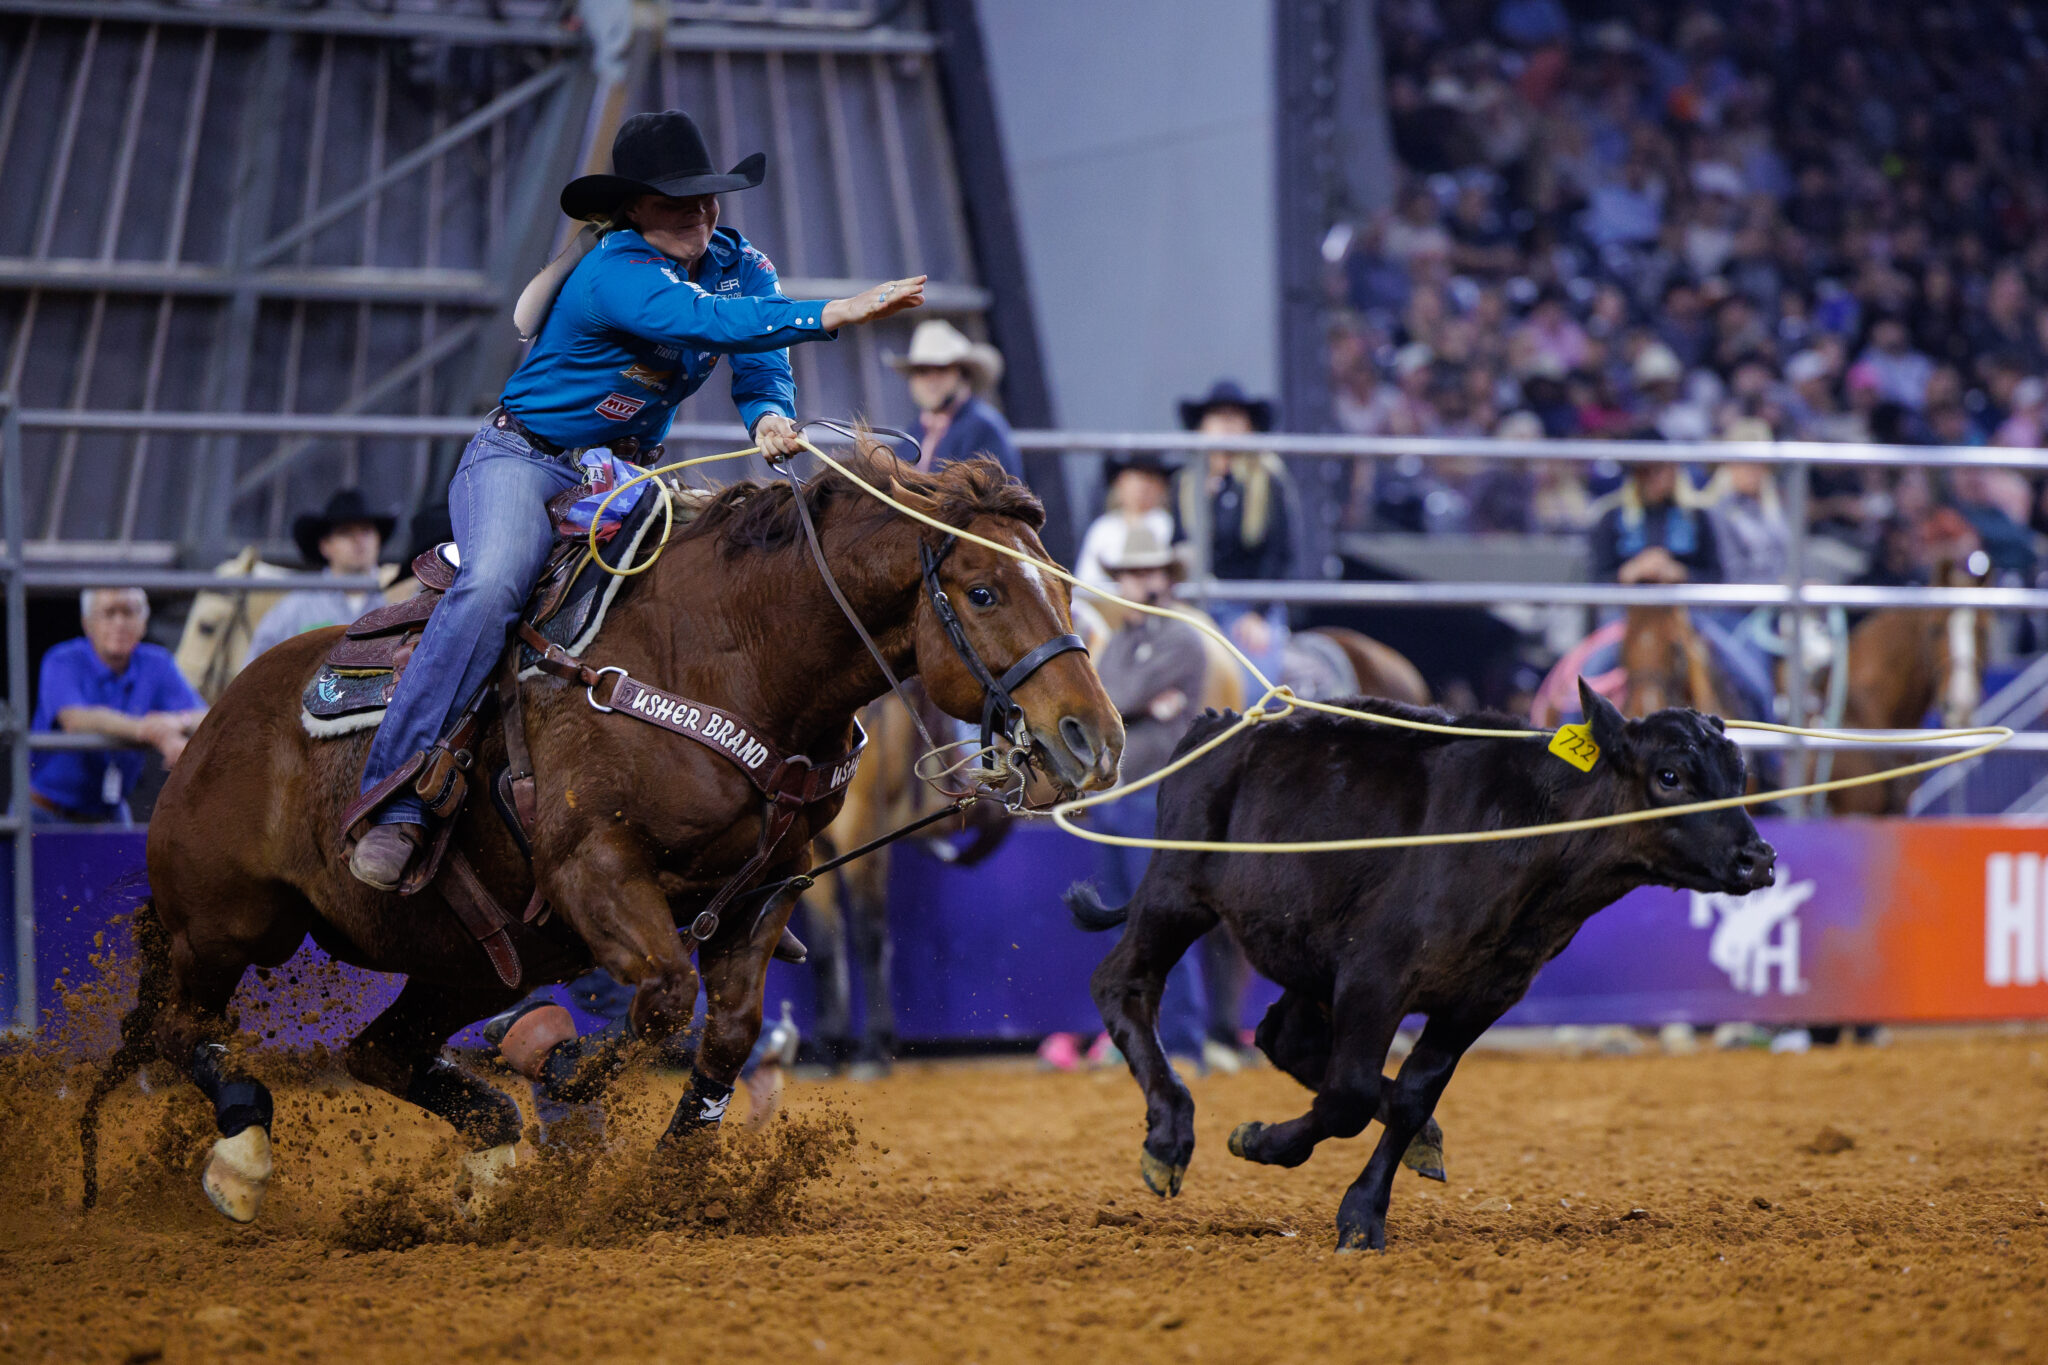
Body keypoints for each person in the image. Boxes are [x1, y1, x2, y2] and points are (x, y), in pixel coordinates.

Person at [347, 109, 926, 889]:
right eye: (675, 200)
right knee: (493, 586)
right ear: (630, 211)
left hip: (624, 475)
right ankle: (393, 801)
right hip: (526, 460)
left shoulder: (742, 262)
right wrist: (834, 312)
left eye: (707, 197)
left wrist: (769, 417)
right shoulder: (614, 272)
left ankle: (729, 847)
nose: (700, 214)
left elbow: (758, 361)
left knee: (716, 582)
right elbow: (706, 323)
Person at [1082, 522, 1211, 1065]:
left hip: (1155, 801)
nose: (1138, 582)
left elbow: (1114, 697)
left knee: (1162, 922)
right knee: (1127, 923)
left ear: (1163, 578)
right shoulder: (1126, 642)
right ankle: (1137, 1035)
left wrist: (1125, 702)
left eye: (1146, 572)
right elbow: (1102, 701)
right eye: (1131, 573)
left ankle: (1182, 1040)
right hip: (1121, 799)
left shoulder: (1182, 638)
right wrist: (1132, 703)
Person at [30, 589, 206, 824]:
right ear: (87, 624)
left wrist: (176, 722)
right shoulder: (62, 659)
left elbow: (209, 717)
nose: (120, 623)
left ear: (144, 623)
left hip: (109, 813)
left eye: (129, 612)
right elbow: (76, 719)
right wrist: (154, 733)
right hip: (45, 814)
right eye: (109, 613)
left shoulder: (157, 662)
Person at [1174, 380, 1295, 684]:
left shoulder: (1268, 479)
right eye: (1217, 415)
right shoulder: (1185, 484)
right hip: (1196, 606)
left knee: (1252, 687)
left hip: (1250, 606)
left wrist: (1258, 614)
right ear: (1202, 426)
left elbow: (1280, 552)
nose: (1226, 424)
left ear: (1249, 427)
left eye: (1235, 416)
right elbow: (1175, 547)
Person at [245, 489, 395, 659]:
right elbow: (257, 674)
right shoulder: (295, 608)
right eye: (345, 532)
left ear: (378, 540)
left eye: (366, 531)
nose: (358, 540)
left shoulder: (399, 600)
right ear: (325, 546)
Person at [883, 319, 1024, 480]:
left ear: (963, 375)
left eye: (941, 369)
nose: (931, 380)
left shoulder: (982, 427)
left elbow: (998, 497)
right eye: (921, 371)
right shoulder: (914, 432)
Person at [1073, 453, 1178, 600]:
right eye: (1135, 478)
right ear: (1119, 485)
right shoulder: (1102, 528)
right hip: (1108, 611)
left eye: (1151, 479)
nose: (1143, 487)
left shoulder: (1170, 524)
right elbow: (1086, 583)